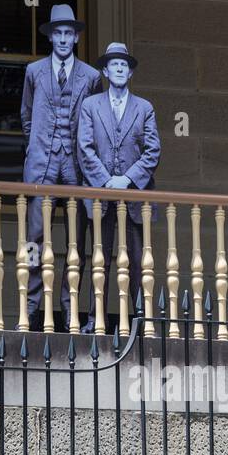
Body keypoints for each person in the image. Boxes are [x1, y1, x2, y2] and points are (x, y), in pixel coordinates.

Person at [20, 2, 101, 331]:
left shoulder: (92, 77)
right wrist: (38, 146)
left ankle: (71, 311)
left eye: (70, 33)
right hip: (42, 163)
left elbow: (92, 120)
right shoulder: (34, 71)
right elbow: (26, 117)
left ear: (76, 38)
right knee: (34, 239)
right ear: (51, 37)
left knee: (75, 243)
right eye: (59, 33)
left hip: (75, 167)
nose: (64, 39)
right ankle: (30, 305)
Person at [76, 41, 160, 333]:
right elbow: (85, 149)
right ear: (105, 70)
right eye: (114, 64)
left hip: (135, 198)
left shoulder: (144, 108)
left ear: (130, 73)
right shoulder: (90, 106)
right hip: (101, 196)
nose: (120, 68)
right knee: (100, 260)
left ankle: (141, 322)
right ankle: (94, 319)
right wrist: (106, 181)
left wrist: (126, 179)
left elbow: (152, 151)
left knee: (138, 264)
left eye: (124, 64)